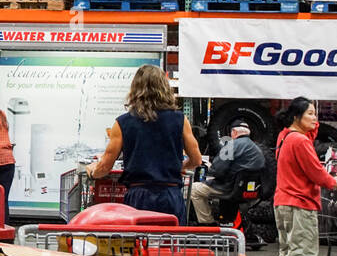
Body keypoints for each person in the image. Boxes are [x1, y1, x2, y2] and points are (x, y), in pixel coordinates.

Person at [86, 65, 203, 225]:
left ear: (135, 89)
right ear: (164, 87)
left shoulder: (122, 123)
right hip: (171, 196)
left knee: (139, 247)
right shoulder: (180, 120)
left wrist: (93, 172)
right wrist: (181, 166)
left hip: (138, 197)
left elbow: (105, 166)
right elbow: (196, 160)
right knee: (169, 248)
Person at [274, 97, 337, 256]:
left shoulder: (285, 136)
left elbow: (310, 135)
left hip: (282, 201)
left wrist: (312, 124)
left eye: (315, 113)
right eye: (310, 113)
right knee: (301, 248)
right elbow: (315, 171)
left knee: (286, 248)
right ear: (297, 116)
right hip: (299, 201)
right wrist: (336, 184)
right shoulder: (300, 141)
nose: (314, 118)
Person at [191, 123, 266, 225]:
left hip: (229, 188)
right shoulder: (258, 148)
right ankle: (227, 220)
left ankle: (207, 223)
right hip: (250, 190)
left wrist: (210, 168)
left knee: (194, 189)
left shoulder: (231, 145)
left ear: (234, 132)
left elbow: (217, 170)